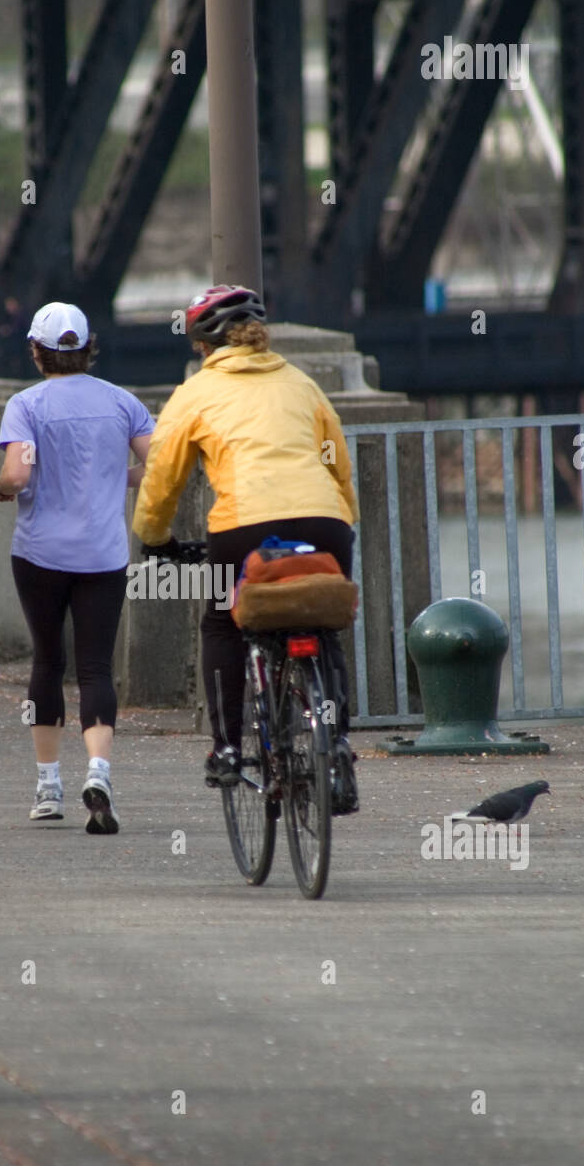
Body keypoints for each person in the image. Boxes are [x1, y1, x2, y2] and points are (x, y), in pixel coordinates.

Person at [132, 284, 360, 810]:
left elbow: (162, 479)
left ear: (203, 345)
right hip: (324, 519)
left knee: (221, 621)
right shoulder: (302, 384)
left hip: (243, 526)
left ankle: (229, 749)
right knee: (324, 621)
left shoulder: (195, 393)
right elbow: (337, 460)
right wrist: (344, 517)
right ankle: (338, 741)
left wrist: (156, 537)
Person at [0, 301, 153, 833]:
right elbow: (162, 458)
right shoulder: (122, 402)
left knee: (47, 662)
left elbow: (17, 475)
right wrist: (117, 478)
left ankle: (48, 787)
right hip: (103, 555)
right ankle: (100, 772)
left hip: (40, 553)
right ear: (87, 348)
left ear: (36, 351)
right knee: (96, 668)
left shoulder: (26, 405)